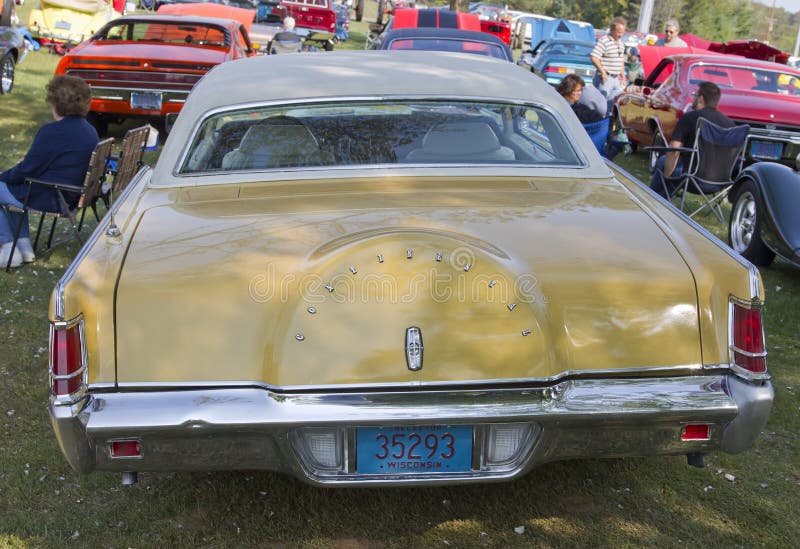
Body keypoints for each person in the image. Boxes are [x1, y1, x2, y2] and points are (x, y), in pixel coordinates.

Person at [0, 75, 99, 268]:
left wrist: (3, 176)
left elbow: (27, 170)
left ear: (56, 103)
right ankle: (24, 248)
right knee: (12, 187)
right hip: (68, 194)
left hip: (52, 196)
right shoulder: (89, 130)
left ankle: (6, 250)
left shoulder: (53, 131)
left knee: (8, 186)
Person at [650, 81, 734, 198]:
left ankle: (654, 199)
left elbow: (674, 148)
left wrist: (668, 175)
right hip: (720, 181)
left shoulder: (690, 118)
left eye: (695, 95)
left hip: (692, 177)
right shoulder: (730, 124)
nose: (693, 98)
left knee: (664, 161)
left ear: (700, 99)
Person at [590, 16, 628, 111]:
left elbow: (621, 59)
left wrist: (623, 75)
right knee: (600, 106)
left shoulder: (621, 44)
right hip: (605, 78)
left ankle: (607, 122)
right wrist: (602, 72)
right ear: (612, 30)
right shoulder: (604, 41)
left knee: (612, 104)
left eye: (622, 32)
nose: (621, 35)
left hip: (616, 79)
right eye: (619, 32)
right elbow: (594, 57)